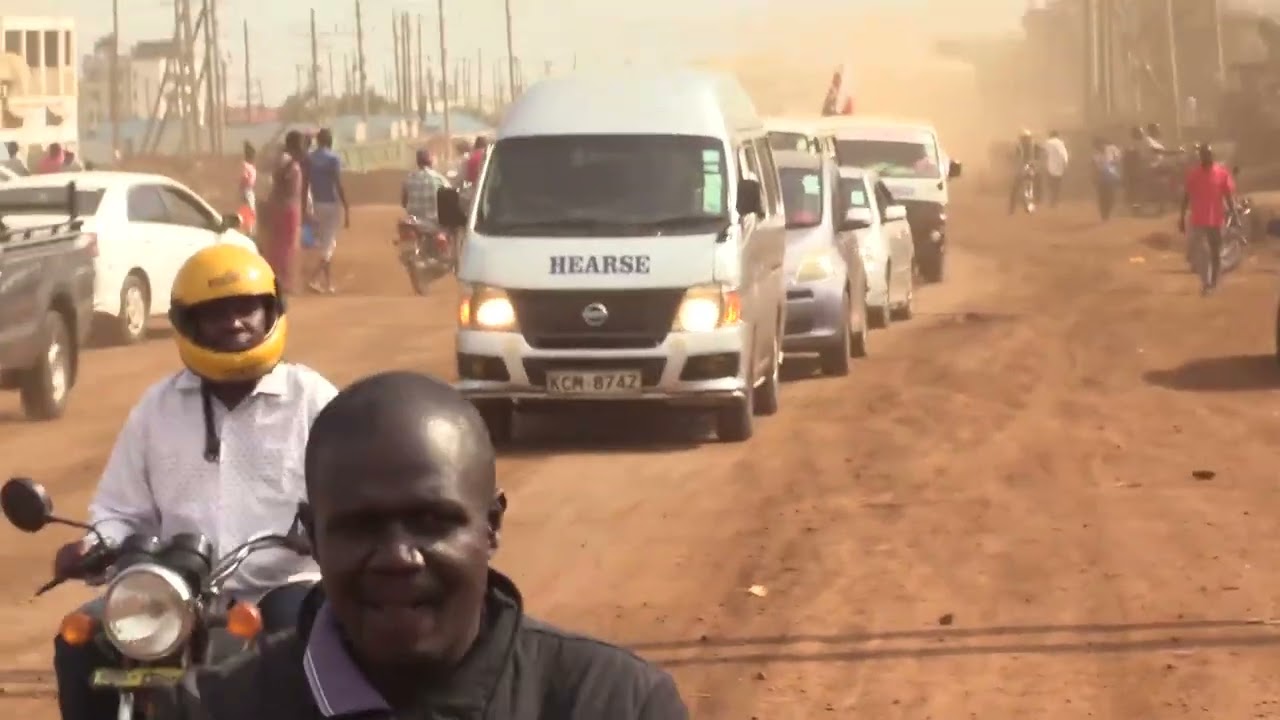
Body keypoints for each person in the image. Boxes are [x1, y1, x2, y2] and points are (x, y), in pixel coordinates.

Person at [175, 371, 689, 719]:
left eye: (431, 522)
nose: (399, 557)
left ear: (490, 526)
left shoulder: (613, 704)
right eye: (361, 525)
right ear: (313, 534)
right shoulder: (221, 709)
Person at [52, 244, 338, 720]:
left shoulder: (312, 399)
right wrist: (94, 546)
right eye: (216, 312)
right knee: (80, 639)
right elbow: (120, 510)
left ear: (271, 311)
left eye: (246, 307)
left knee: (301, 640)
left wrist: (328, 533)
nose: (235, 322)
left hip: (284, 583)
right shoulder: (157, 407)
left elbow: (350, 490)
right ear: (189, 323)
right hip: (174, 593)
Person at [1179, 143, 1237, 295]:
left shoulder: (1222, 174)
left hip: (1215, 219)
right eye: (1204, 155)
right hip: (1198, 219)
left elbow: (1228, 196)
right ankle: (1206, 283)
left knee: (1215, 252)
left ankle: (1213, 283)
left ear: (1212, 156)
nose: (1206, 157)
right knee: (1201, 252)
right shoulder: (1193, 175)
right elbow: (1186, 196)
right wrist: (1181, 217)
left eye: (1209, 154)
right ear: (1200, 157)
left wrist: (1234, 214)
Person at [261, 131, 308, 294]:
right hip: (287, 207)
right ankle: (282, 282)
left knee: (278, 244)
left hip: (279, 206)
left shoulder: (281, 159)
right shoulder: (289, 162)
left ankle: (279, 279)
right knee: (286, 245)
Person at [304, 128, 349, 294]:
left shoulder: (310, 158)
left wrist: (304, 207)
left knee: (324, 244)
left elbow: (305, 184)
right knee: (329, 245)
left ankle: (328, 283)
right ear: (330, 141)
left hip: (316, 203)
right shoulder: (333, 159)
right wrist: (346, 206)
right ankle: (314, 279)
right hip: (331, 203)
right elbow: (338, 184)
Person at [403, 148, 450, 224]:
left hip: (412, 223)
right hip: (435, 223)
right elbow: (449, 203)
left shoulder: (409, 179)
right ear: (432, 161)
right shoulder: (440, 179)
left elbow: (404, 203)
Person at [1090, 137, 1122, 221]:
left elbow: (1119, 159)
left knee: (1111, 196)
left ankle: (1107, 212)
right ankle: (1104, 214)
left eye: (1099, 145)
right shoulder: (1095, 154)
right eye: (1096, 146)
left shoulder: (1112, 149)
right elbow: (1094, 166)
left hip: (1111, 176)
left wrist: (1114, 163)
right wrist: (1094, 176)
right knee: (1102, 197)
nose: (1098, 147)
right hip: (1101, 177)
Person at [1008, 129, 1038, 214]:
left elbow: (1016, 158)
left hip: (1022, 169)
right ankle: (1026, 206)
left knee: (1019, 189)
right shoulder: (1031, 146)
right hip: (1027, 169)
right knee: (1027, 188)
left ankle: (1014, 207)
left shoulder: (1021, 146)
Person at [1042, 130, 1069, 207]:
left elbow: (1044, 153)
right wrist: (1065, 164)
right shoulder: (1061, 143)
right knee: (1057, 185)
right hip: (1059, 167)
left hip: (1050, 166)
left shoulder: (1048, 142)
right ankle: (1055, 200)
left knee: (1050, 184)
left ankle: (1052, 200)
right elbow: (1064, 155)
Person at [240, 142, 258, 229]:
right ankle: (248, 229)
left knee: (251, 211)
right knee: (249, 211)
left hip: (249, 190)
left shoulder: (250, 166)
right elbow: (244, 177)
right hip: (246, 190)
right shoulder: (245, 165)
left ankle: (250, 228)